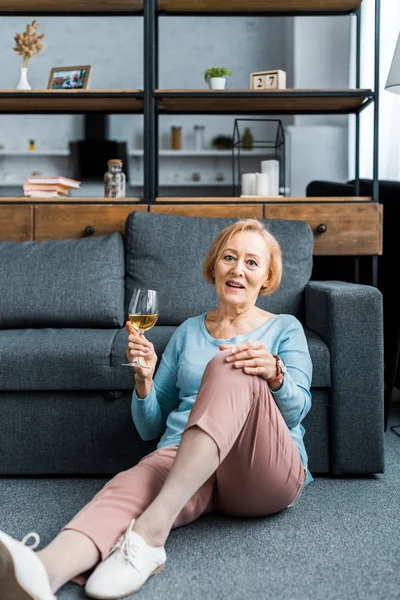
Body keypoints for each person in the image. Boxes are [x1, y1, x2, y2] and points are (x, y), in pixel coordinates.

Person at [0, 218, 313, 600]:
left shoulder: (284, 329)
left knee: (232, 364)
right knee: (127, 486)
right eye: (229, 257)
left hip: (262, 474)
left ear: (266, 277)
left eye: (251, 262)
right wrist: (144, 381)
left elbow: (297, 414)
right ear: (215, 265)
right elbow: (150, 428)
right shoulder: (186, 332)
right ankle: (43, 572)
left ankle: (150, 534)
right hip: (189, 465)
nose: (237, 269)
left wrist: (276, 373)